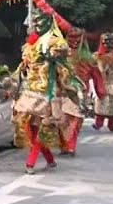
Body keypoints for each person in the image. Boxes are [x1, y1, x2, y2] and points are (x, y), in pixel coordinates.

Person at [13, 25, 74, 174]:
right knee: (33, 132)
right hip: (31, 96)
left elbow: (64, 76)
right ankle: (50, 161)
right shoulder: (29, 50)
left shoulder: (53, 52)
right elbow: (22, 73)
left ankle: (30, 163)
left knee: (41, 132)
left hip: (47, 97)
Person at [92, 34, 113, 132]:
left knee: (103, 105)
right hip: (112, 84)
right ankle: (109, 125)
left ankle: (100, 124)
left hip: (104, 84)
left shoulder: (97, 56)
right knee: (110, 106)